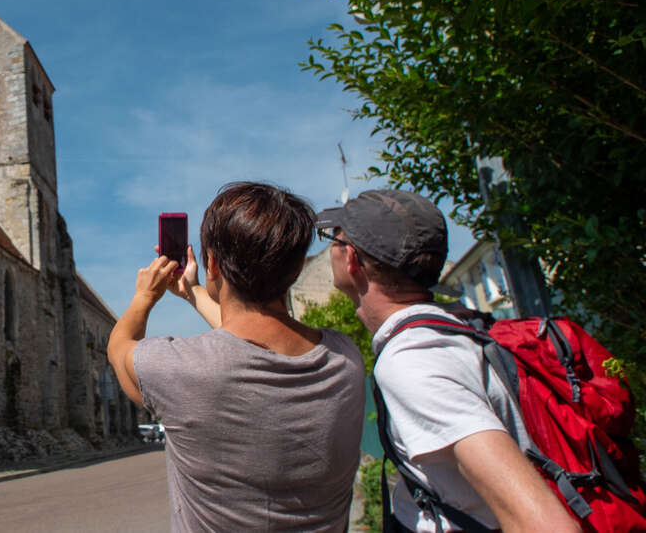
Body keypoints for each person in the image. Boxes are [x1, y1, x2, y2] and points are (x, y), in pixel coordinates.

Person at [315, 189, 580, 532]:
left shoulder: (415, 362)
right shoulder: (457, 330)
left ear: (352, 260)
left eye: (331, 239)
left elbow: (544, 524)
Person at [107, 182, 366, 532]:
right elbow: (251, 337)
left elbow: (119, 347)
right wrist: (194, 292)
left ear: (212, 262)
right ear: (294, 268)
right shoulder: (345, 359)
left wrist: (144, 296)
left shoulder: (181, 369)